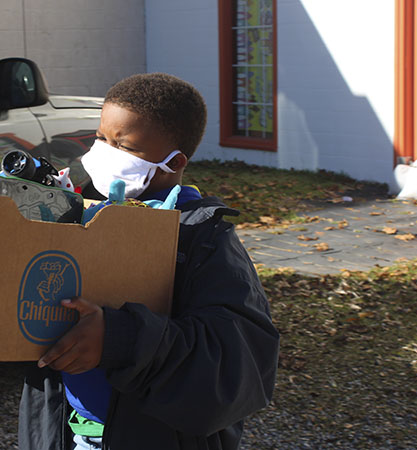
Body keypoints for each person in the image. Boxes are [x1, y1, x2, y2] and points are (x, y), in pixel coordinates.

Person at [18, 73, 279, 450]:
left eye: (125, 146)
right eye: (102, 138)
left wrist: (120, 339)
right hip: (67, 433)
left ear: (174, 161)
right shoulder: (83, 214)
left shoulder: (202, 240)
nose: (105, 152)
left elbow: (235, 370)